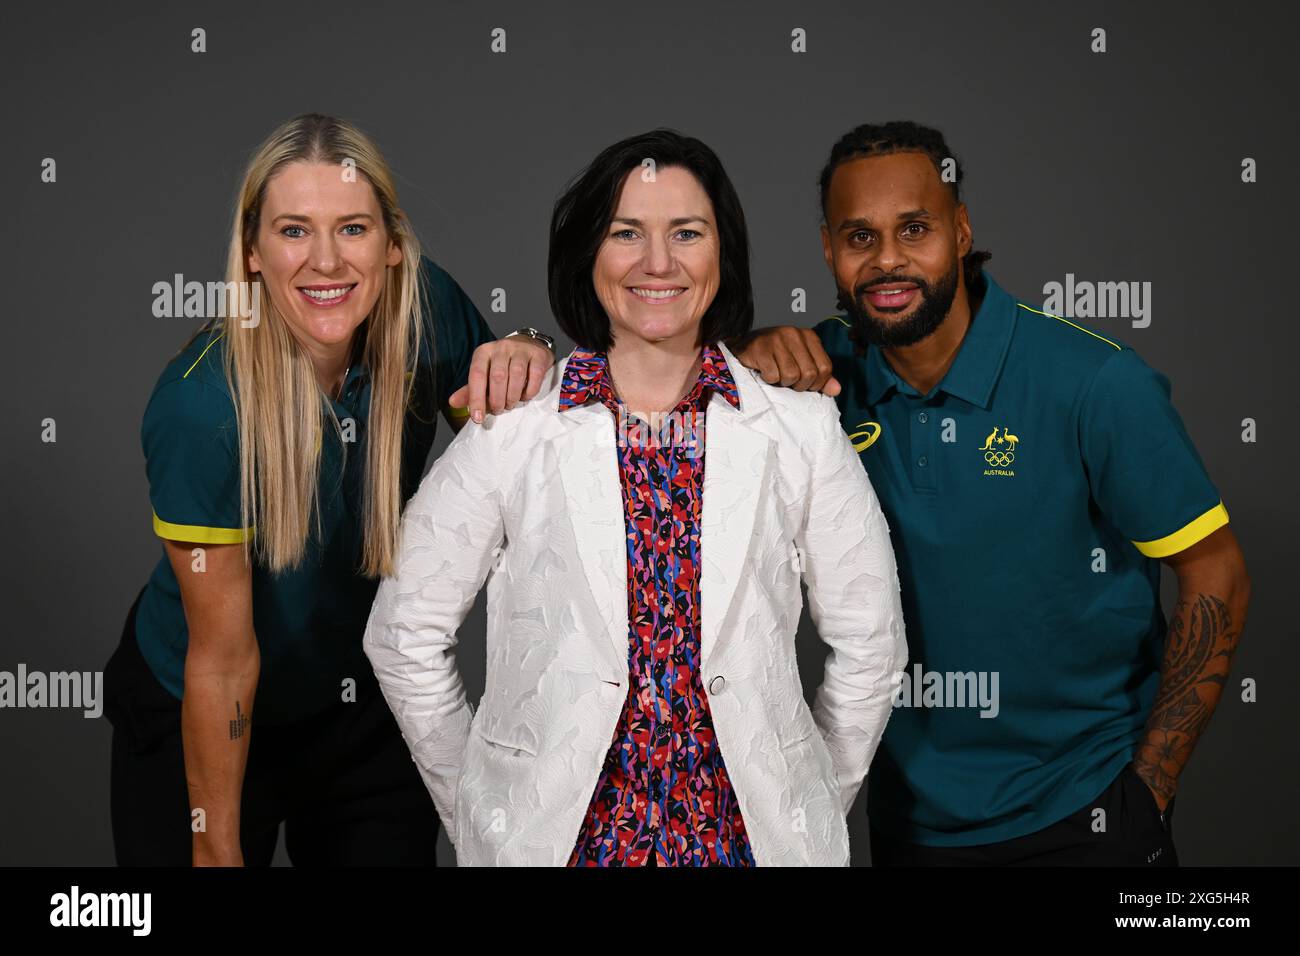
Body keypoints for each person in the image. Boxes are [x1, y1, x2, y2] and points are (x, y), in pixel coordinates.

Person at [363, 129, 908, 866]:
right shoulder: (514, 429)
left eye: (687, 232)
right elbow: (403, 636)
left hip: (746, 850)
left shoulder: (802, 430)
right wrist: (484, 807)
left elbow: (872, 646)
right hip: (562, 850)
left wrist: (806, 803)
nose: (659, 262)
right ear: (590, 252)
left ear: (723, 254)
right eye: (627, 233)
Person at [733, 120, 1251, 865]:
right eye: (859, 237)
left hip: (1086, 811)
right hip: (909, 823)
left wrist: (1150, 790)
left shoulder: (1094, 383)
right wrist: (752, 346)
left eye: (914, 229)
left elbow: (1219, 572)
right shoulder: (816, 383)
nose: (887, 261)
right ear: (828, 249)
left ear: (962, 229)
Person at [103, 113, 556, 866]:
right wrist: (215, 853)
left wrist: (531, 348)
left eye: (351, 229)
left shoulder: (426, 309)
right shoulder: (200, 407)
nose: (325, 262)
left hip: (355, 702)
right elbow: (223, 661)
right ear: (251, 252)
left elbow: (514, 470)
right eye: (292, 231)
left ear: (392, 245)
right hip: (206, 705)